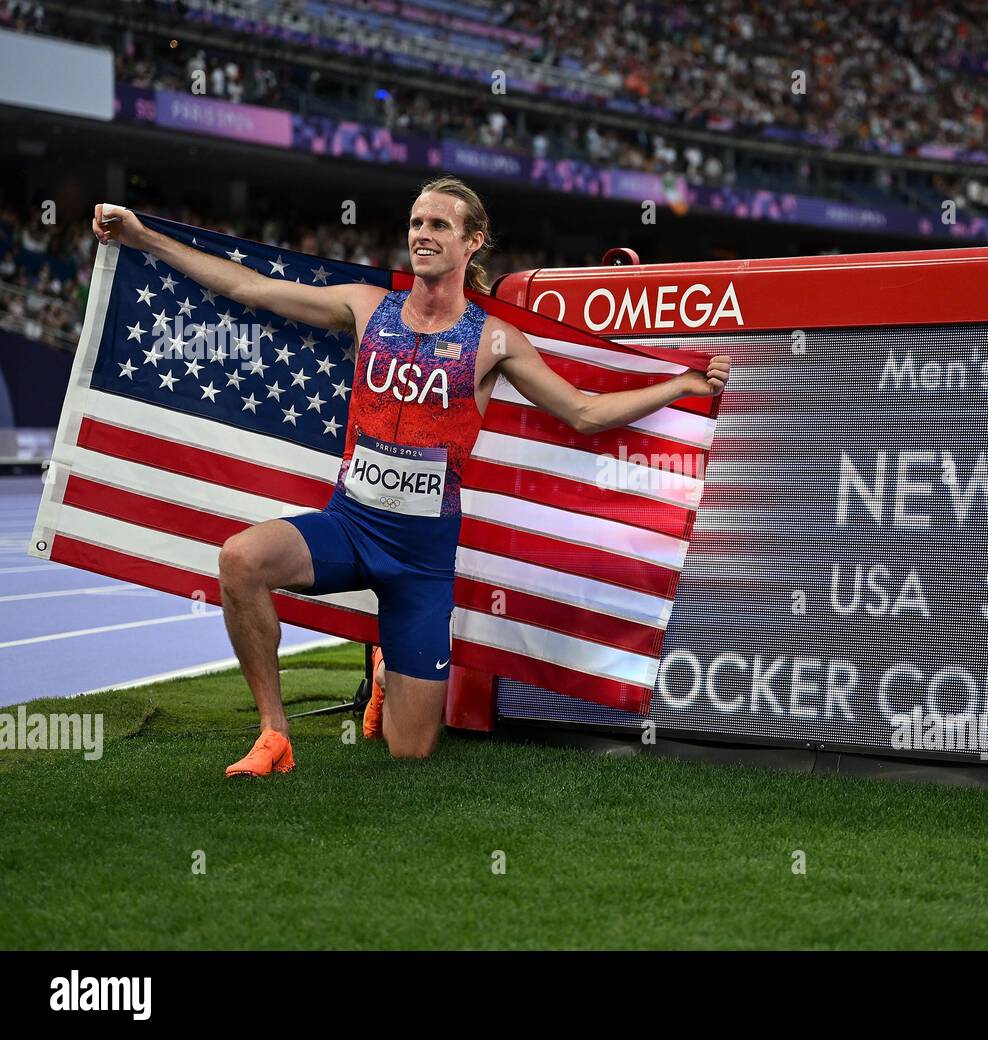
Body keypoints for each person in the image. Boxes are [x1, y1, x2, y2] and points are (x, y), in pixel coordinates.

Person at [91, 176, 731, 777]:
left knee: (410, 754)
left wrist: (680, 383)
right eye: (416, 223)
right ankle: (274, 732)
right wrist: (141, 235)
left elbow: (585, 413)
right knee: (239, 559)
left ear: (471, 241)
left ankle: (387, 665)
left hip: (421, 564)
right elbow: (248, 288)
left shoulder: (494, 341)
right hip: (349, 526)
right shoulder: (368, 308)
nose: (422, 234)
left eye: (439, 225)